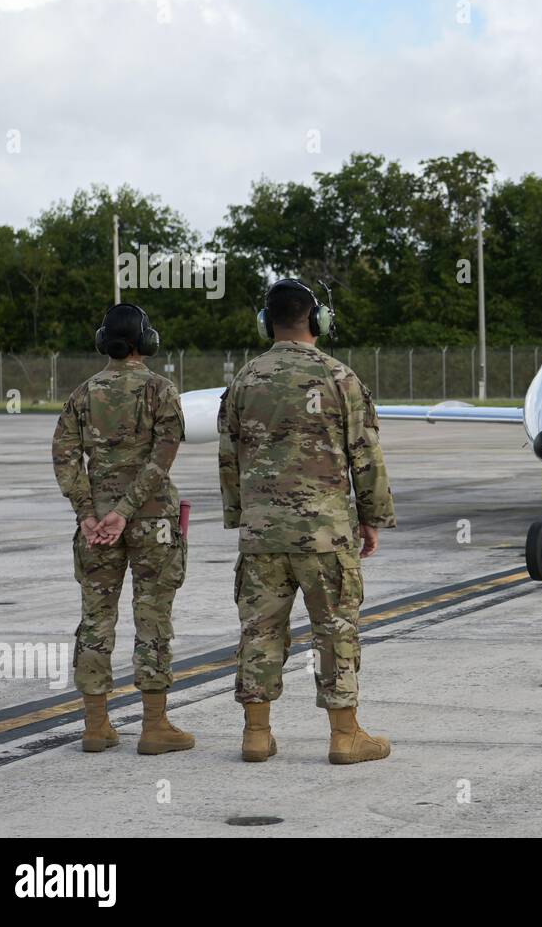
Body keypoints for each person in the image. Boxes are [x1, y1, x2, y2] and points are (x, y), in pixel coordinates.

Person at [219, 279, 396, 764]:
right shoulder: (341, 378)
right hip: (325, 533)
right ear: (316, 322)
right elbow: (365, 453)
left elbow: (228, 457)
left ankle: (256, 734)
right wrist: (373, 517)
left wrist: (241, 515)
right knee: (335, 629)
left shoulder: (244, 381)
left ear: (266, 323)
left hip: (262, 536)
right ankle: (344, 736)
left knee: (259, 630)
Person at [52, 302, 195, 754]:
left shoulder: (83, 394)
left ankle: (96, 726)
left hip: (97, 526)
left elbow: (65, 457)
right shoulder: (161, 390)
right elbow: (162, 456)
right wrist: (129, 509)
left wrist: (89, 513)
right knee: (153, 617)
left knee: (96, 617)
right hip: (151, 521)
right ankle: (155, 726)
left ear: (104, 343)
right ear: (145, 343)